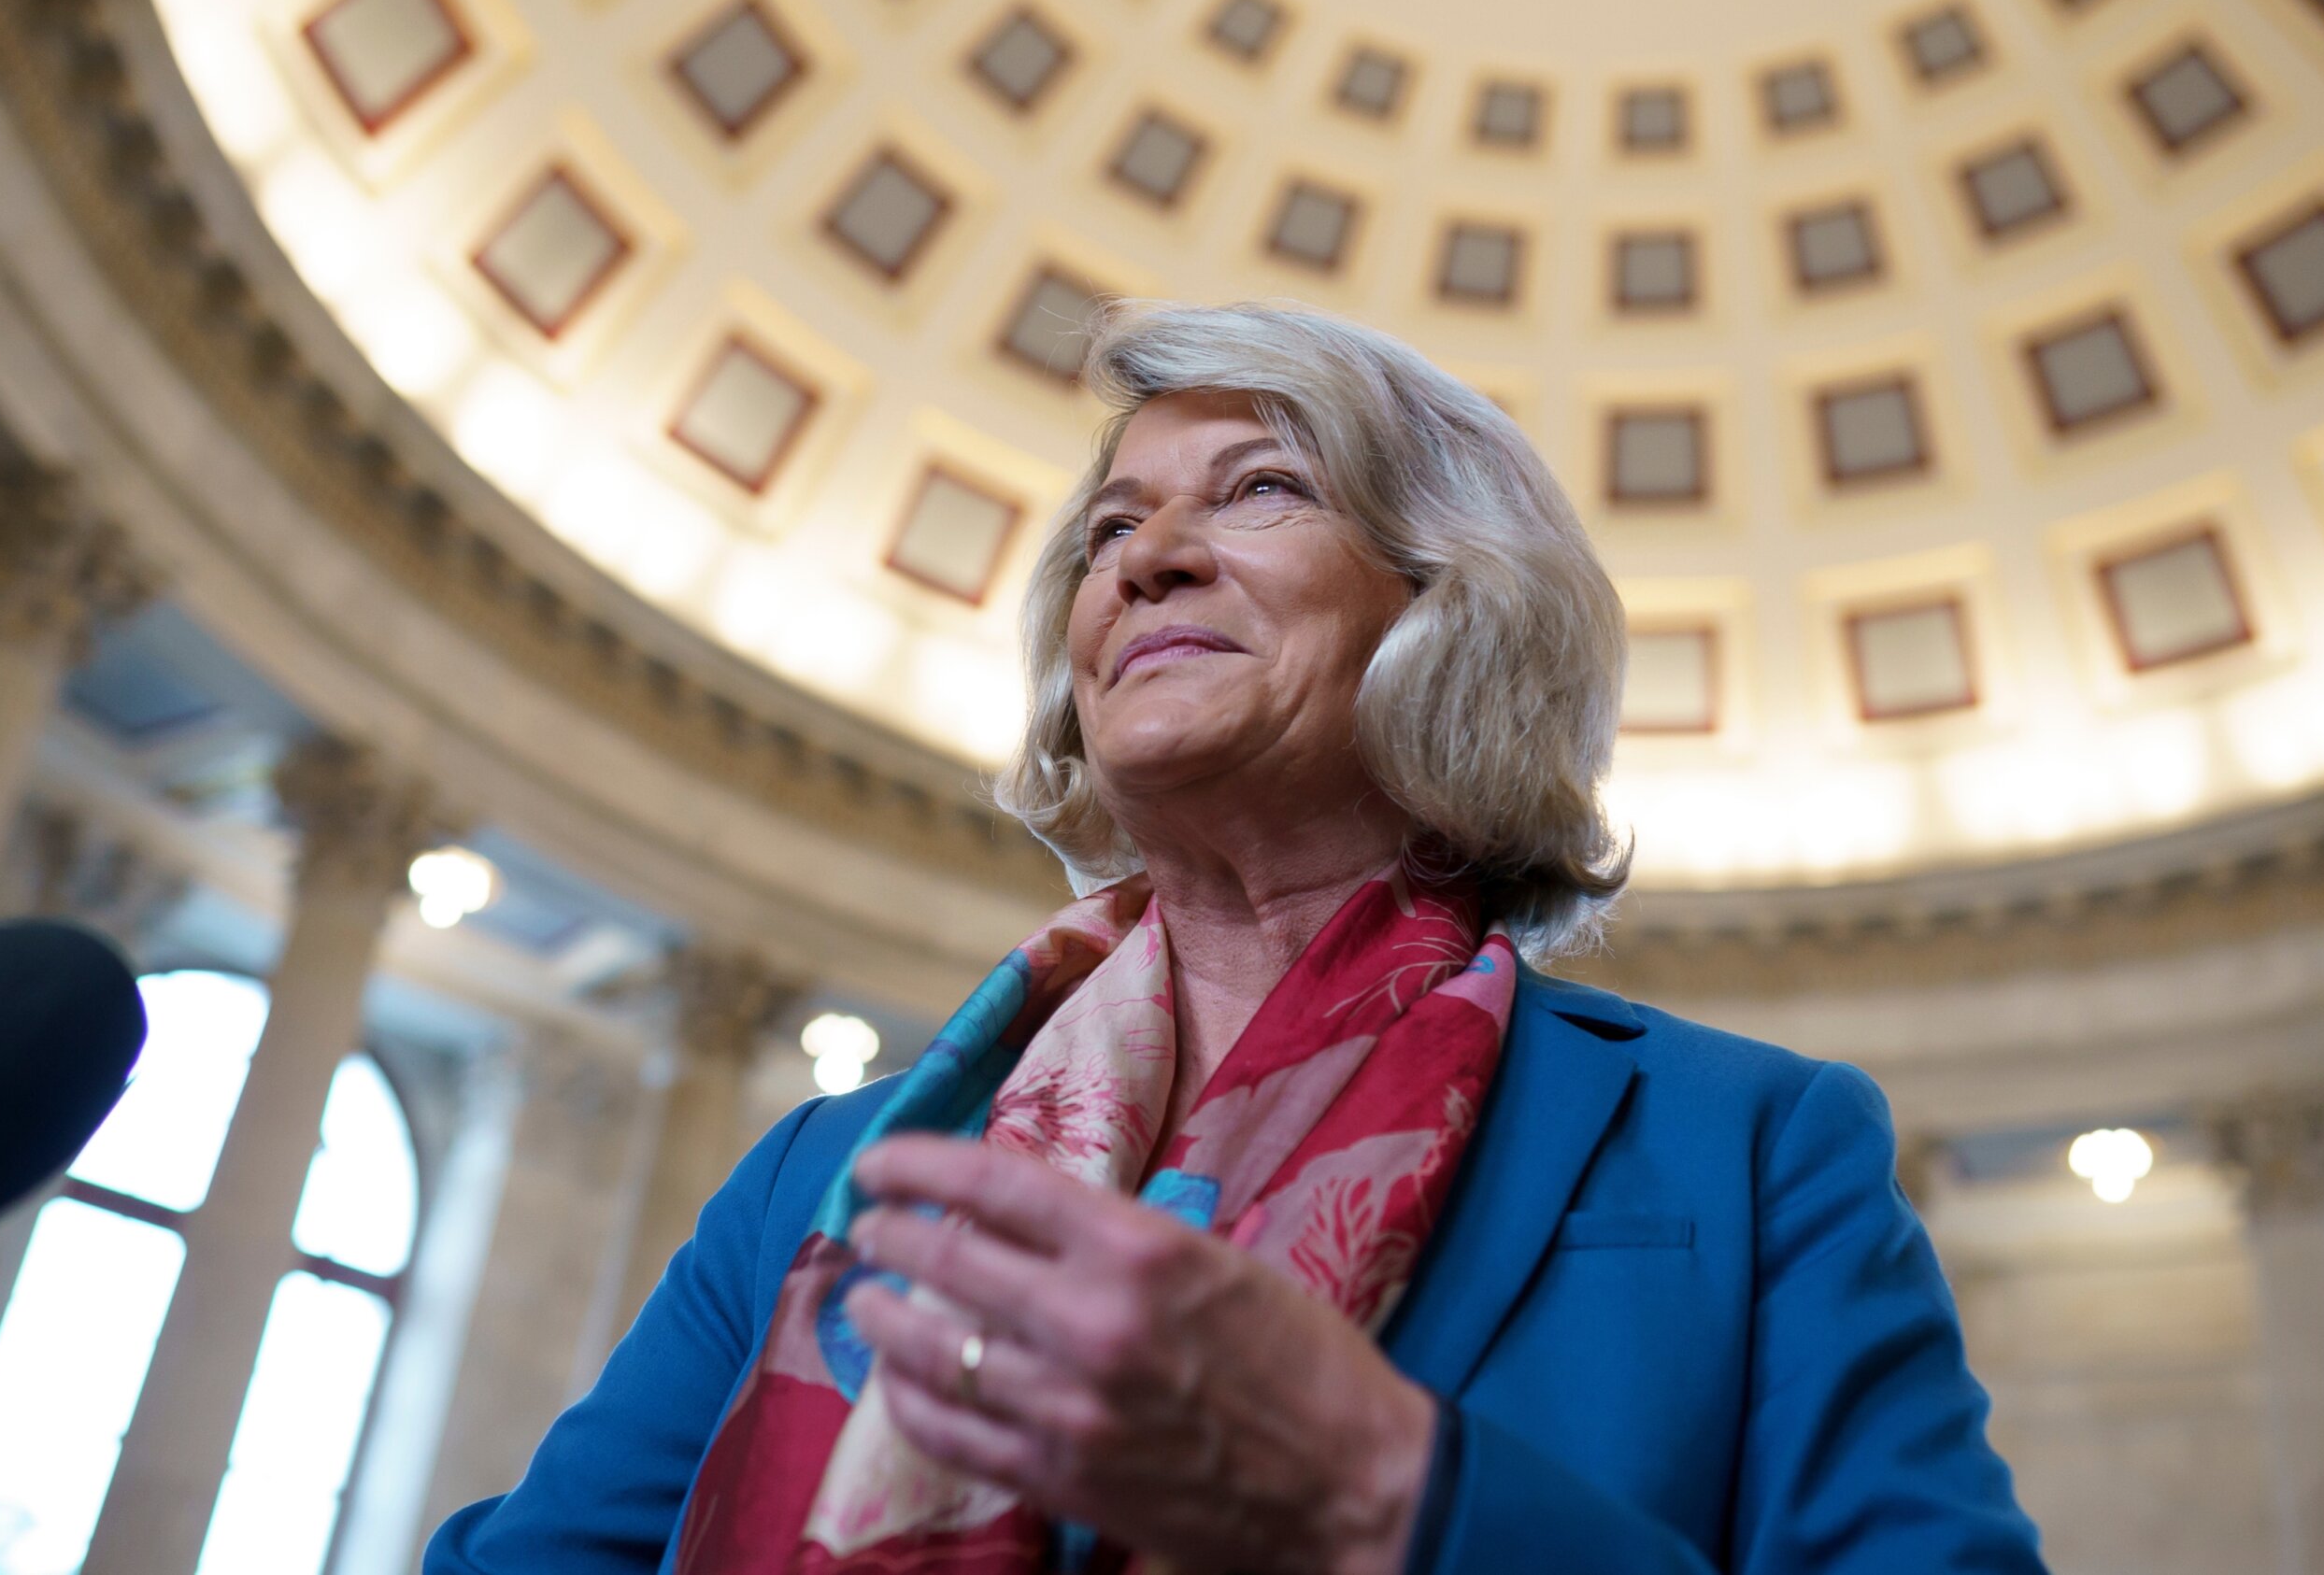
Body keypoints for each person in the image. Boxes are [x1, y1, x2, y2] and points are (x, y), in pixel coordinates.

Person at [426, 301, 2045, 1574]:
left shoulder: (1752, 1148)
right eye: (1109, 529)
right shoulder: (826, 1172)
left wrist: (1385, 1491)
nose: (1147, 558)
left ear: (1450, 602)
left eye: (1262, 487)